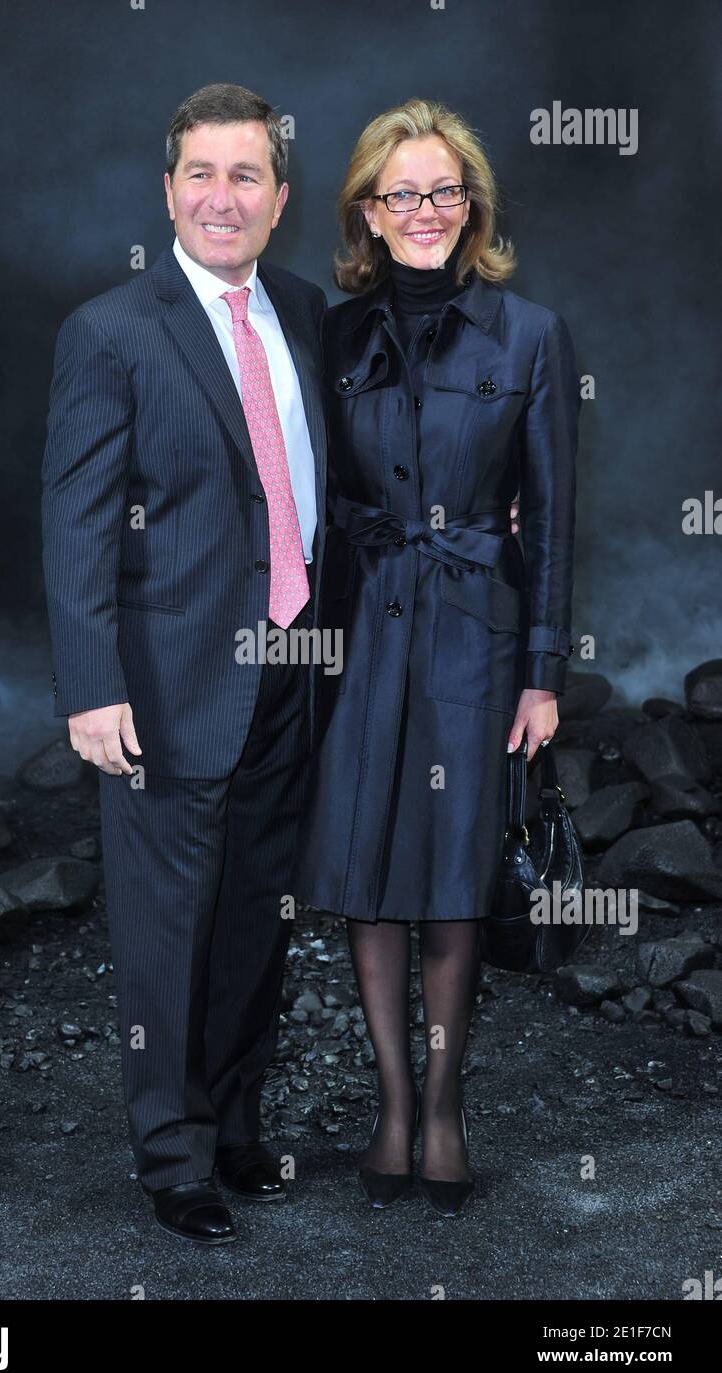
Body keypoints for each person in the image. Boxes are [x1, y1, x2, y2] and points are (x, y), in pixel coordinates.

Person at [41, 83, 328, 1245]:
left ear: (279, 198)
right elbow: (75, 519)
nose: (222, 196)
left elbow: (327, 482)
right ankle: (172, 1161)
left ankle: (238, 1126)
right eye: (200, 174)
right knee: (168, 930)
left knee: (258, 917)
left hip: (295, 671)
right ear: (168, 191)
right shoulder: (112, 330)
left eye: (244, 175)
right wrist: (91, 683)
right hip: (163, 685)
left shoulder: (303, 311)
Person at [292, 98, 580, 1216]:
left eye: (444, 191)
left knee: (456, 873)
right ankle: (392, 1107)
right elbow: (309, 496)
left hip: (476, 628)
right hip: (363, 630)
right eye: (401, 193)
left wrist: (544, 670)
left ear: (472, 207)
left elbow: (552, 516)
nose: (425, 211)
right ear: (368, 209)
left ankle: (447, 1108)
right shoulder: (333, 334)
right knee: (371, 870)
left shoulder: (530, 334)